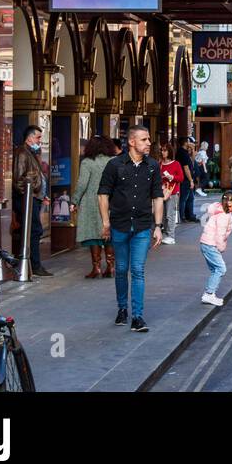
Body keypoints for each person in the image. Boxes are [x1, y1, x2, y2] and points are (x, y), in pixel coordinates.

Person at [97, 125, 163, 332]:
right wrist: (106, 222)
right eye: (144, 140)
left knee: (137, 270)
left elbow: (158, 197)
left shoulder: (152, 166)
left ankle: (137, 316)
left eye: (149, 139)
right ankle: (122, 309)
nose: (149, 143)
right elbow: (103, 194)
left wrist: (159, 226)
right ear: (132, 142)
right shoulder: (114, 165)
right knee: (121, 270)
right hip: (119, 225)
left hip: (143, 226)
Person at [72, 135, 117, 279]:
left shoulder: (87, 162)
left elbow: (82, 184)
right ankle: (111, 266)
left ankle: (96, 267)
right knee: (108, 233)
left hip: (91, 202)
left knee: (93, 235)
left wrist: (75, 200)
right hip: (111, 200)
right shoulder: (113, 161)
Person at [12, 125, 52, 277]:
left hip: (34, 197)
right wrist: (31, 194)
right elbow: (19, 179)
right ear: (29, 138)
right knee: (34, 230)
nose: (39, 141)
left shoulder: (31, 153)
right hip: (27, 199)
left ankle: (33, 263)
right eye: (38, 137)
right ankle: (34, 264)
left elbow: (37, 176)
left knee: (34, 230)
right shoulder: (22, 153)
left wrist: (41, 194)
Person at [199, 190, 232, 306]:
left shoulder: (221, 211)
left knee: (215, 269)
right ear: (229, 203)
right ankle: (208, 294)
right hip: (211, 244)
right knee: (221, 268)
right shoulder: (224, 215)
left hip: (206, 243)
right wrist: (221, 247)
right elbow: (220, 234)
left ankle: (210, 294)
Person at [158, 142, 183, 244]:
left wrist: (171, 177)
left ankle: (171, 236)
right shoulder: (160, 164)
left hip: (172, 192)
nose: (163, 152)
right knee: (162, 215)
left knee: (170, 214)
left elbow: (181, 178)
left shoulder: (176, 164)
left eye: (165, 150)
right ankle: (166, 234)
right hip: (162, 191)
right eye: (162, 150)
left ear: (169, 152)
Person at [178, 140, 199, 221]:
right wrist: (191, 180)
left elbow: (193, 160)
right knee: (184, 198)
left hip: (188, 179)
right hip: (186, 179)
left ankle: (190, 215)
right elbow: (186, 168)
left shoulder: (187, 153)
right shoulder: (183, 153)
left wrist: (193, 149)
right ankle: (182, 216)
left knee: (190, 198)